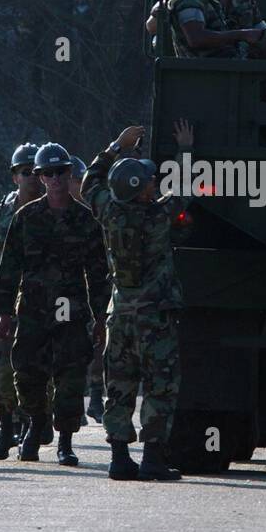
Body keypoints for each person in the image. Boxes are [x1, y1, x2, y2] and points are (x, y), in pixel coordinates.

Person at [81, 121, 192, 480]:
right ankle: (153, 458)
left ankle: (119, 458)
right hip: (155, 318)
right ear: (141, 192)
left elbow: (89, 183)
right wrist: (186, 149)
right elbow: (185, 191)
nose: (154, 183)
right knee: (160, 384)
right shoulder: (158, 217)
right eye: (148, 181)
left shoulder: (109, 214)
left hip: (121, 318)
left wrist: (117, 145)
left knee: (120, 385)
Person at [0, 142, 111, 465]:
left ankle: (66, 439)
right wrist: (1, 314)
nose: (55, 179)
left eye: (60, 172)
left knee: (70, 375)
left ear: (69, 174)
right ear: (41, 178)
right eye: (48, 174)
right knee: (27, 372)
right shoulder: (26, 217)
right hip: (32, 308)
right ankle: (35, 422)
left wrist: (100, 317)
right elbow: (8, 268)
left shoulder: (86, 220)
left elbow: (99, 273)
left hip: (71, 310)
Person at [0, 142, 45, 459]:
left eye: (37, 171)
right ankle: (7, 428)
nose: (32, 177)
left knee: (39, 372)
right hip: (6, 309)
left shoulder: (54, 212)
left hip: (41, 307)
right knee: (2, 371)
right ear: (14, 176)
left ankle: (34, 425)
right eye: (25, 172)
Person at [68, 154, 106, 423]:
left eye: (78, 179)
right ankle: (75, 403)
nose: (76, 184)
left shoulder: (94, 212)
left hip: (95, 289)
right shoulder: (55, 212)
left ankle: (95, 398)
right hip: (68, 293)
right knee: (71, 349)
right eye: (73, 179)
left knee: (98, 345)